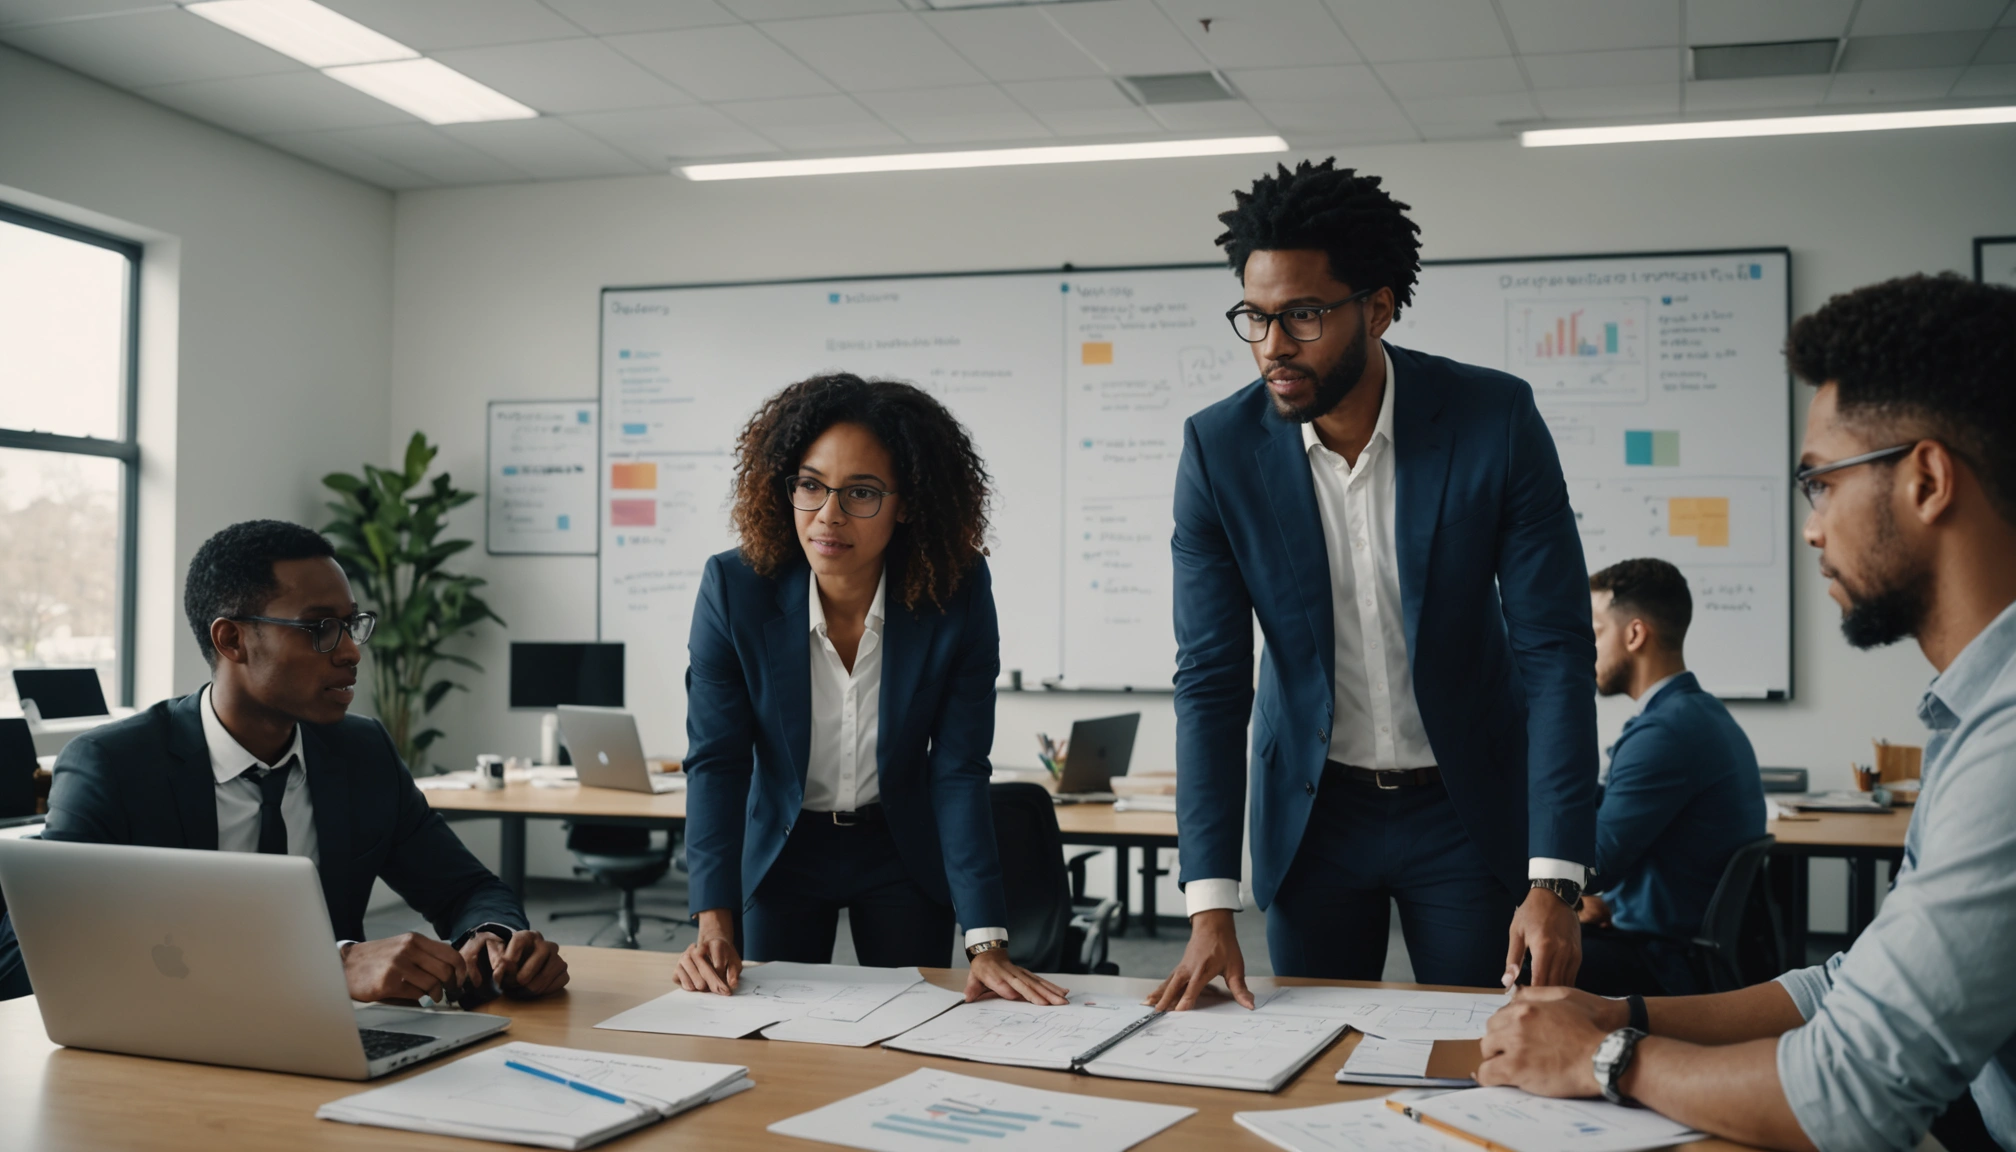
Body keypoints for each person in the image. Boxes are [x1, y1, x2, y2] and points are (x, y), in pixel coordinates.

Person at [1478, 274, 2016, 1152]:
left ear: (1926, 479)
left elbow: (1850, 1096)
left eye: (1820, 483)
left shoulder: (2007, 741)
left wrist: (1604, 1055)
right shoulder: (1972, 714)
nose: (1812, 529)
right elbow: (1842, 986)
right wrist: (1620, 1014)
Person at [1151, 158, 1599, 1011]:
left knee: (1484, 1046)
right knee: (1309, 1048)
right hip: (1315, 815)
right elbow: (1209, 679)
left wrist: (1556, 878)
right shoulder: (1219, 451)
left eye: (1303, 316)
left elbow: (1554, 653)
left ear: (1379, 309)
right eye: (1255, 317)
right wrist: (1210, 904)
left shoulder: (1493, 421)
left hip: (1465, 810)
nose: (1273, 346)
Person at [0, 520, 568, 1004]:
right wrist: (328, 964)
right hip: (173, 1043)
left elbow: (466, 888)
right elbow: (37, 954)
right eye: (321, 629)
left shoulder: (361, 752)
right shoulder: (115, 767)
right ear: (232, 641)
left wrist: (493, 940)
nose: (351, 651)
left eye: (351, 625)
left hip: (334, 1044)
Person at [675, 374, 1067, 1006]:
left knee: (916, 1023)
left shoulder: (955, 591)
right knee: (771, 1032)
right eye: (810, 485)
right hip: (783, 846)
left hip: (900, 846)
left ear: (906, 503)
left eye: (860, 492)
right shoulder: (734, 589)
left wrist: (987, 942)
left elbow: (959, 768)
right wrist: (713, 922)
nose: (828, 515)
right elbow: (718, 762)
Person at [1578, 558, 1765, 997]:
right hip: (1679, 940)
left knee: (1511, 944)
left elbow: (1592, 868)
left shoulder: (1664, 733)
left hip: (1663, 961)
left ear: (1635, 634)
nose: (1586, 648)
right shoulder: (1698, 714)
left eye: (1596, 631)